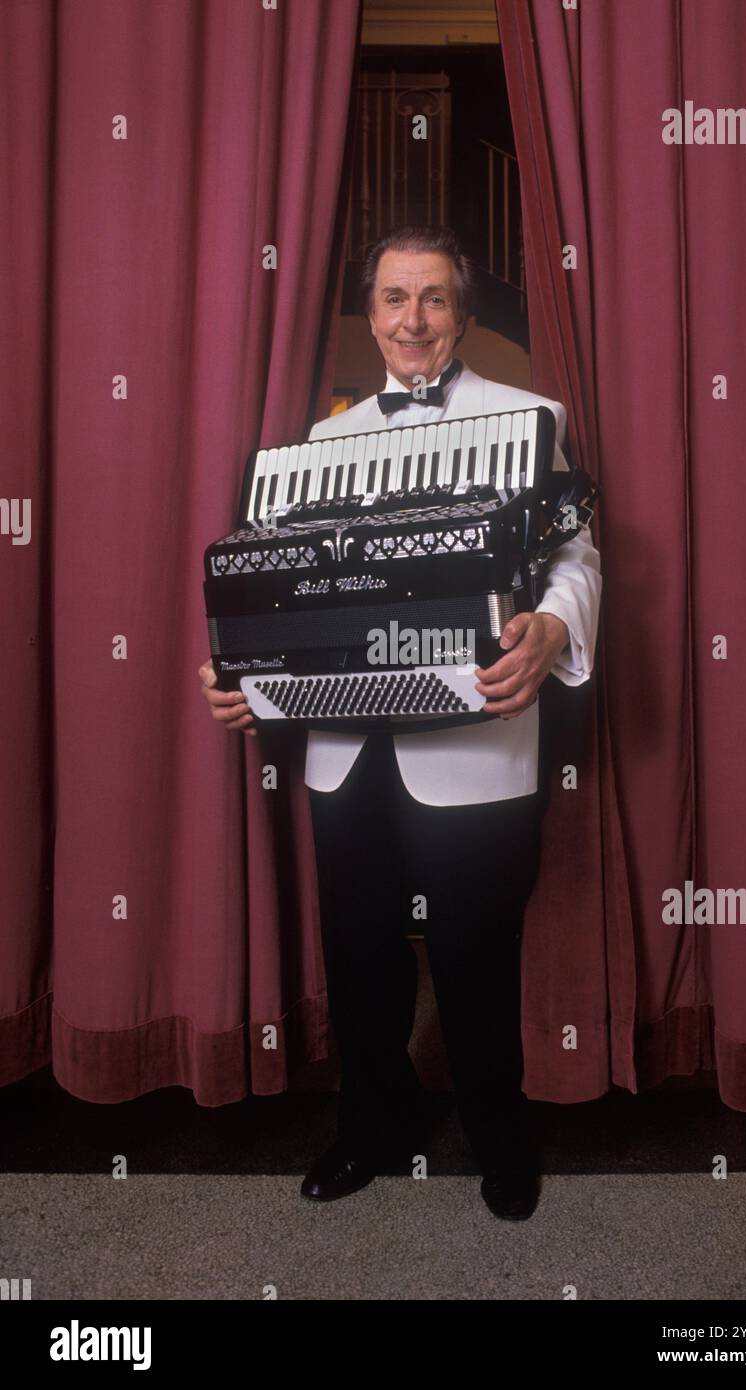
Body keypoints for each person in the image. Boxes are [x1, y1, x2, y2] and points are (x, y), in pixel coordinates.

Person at [199, 226, 602, 1220]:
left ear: (461, 312)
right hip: (345, 751)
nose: (411, 320)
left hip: (476, 746)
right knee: (360, 952)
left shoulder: (529, 418)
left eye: (431, 298)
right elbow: (295, 591)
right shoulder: (319, 448)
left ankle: (495, 1135)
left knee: (473, 953)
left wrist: (551, 628)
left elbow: (576, 557)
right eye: (391, 299)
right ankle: (366, 1129)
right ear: (368, 311)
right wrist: (244, 674)